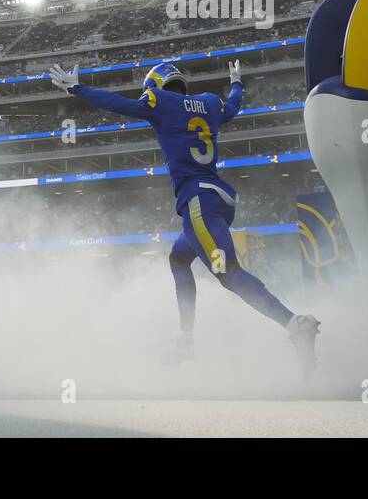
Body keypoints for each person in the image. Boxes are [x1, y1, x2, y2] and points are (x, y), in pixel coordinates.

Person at [48, 58, 321, 377]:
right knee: (178, 259)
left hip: (198, 201)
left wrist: (78, 88)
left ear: (156, 86)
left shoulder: (159, 101)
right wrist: (236, 84)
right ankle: (186, 339)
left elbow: (119, 104)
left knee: (229, 274)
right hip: (217, 199)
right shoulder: (209, 103)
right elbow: (232, 108)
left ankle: (294, 323)